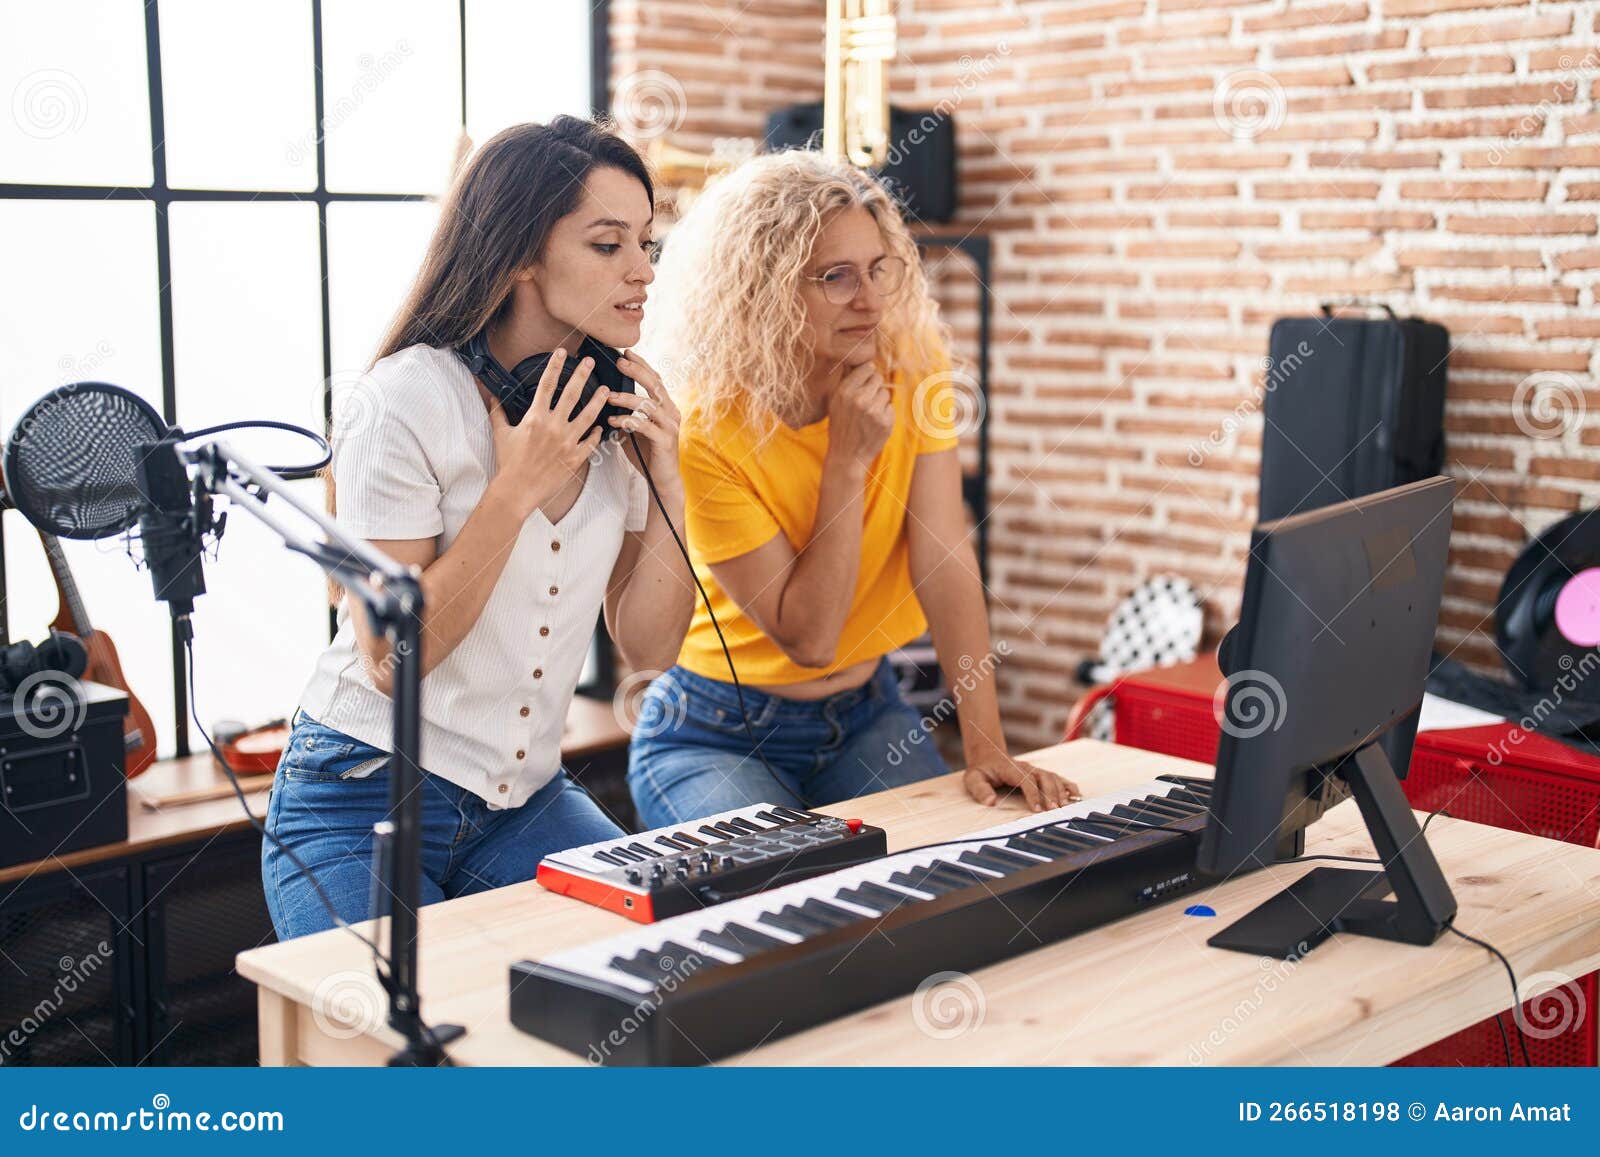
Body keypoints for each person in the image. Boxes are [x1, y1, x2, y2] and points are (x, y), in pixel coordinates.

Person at [263, 118, 693, 940]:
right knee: (402, 1056)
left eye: (646, 241)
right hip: (359, 794)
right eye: (609, 245)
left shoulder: (615, 409)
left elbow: (650, 647)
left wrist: (669, 474)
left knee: (662, 957)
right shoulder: (405, 399)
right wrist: (515, 489)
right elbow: (394, 660)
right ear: (523, 253)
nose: (644, 270)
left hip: (522, 802)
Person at [626, 150, 1080, 829]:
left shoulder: (914, 363)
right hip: (714, 727)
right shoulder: (705, 426)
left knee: (941, 879)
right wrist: (846, 461)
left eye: (877, 268)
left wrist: (986, 744)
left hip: (870, 709)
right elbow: (809, 639)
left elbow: (945, 556)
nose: (869, 300)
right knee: (779, 894)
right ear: (764, 289)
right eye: (835, 277)